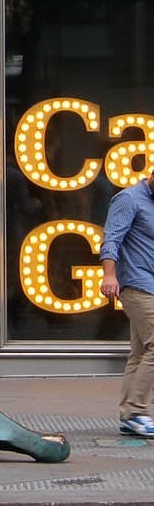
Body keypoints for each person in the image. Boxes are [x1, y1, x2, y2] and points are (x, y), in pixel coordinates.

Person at [100, 170, 154, 436]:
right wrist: (109, 275)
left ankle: (128, 416)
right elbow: (112, 238)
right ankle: (137, 410)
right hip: (137, 284)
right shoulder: (129, 199)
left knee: (140, 351)